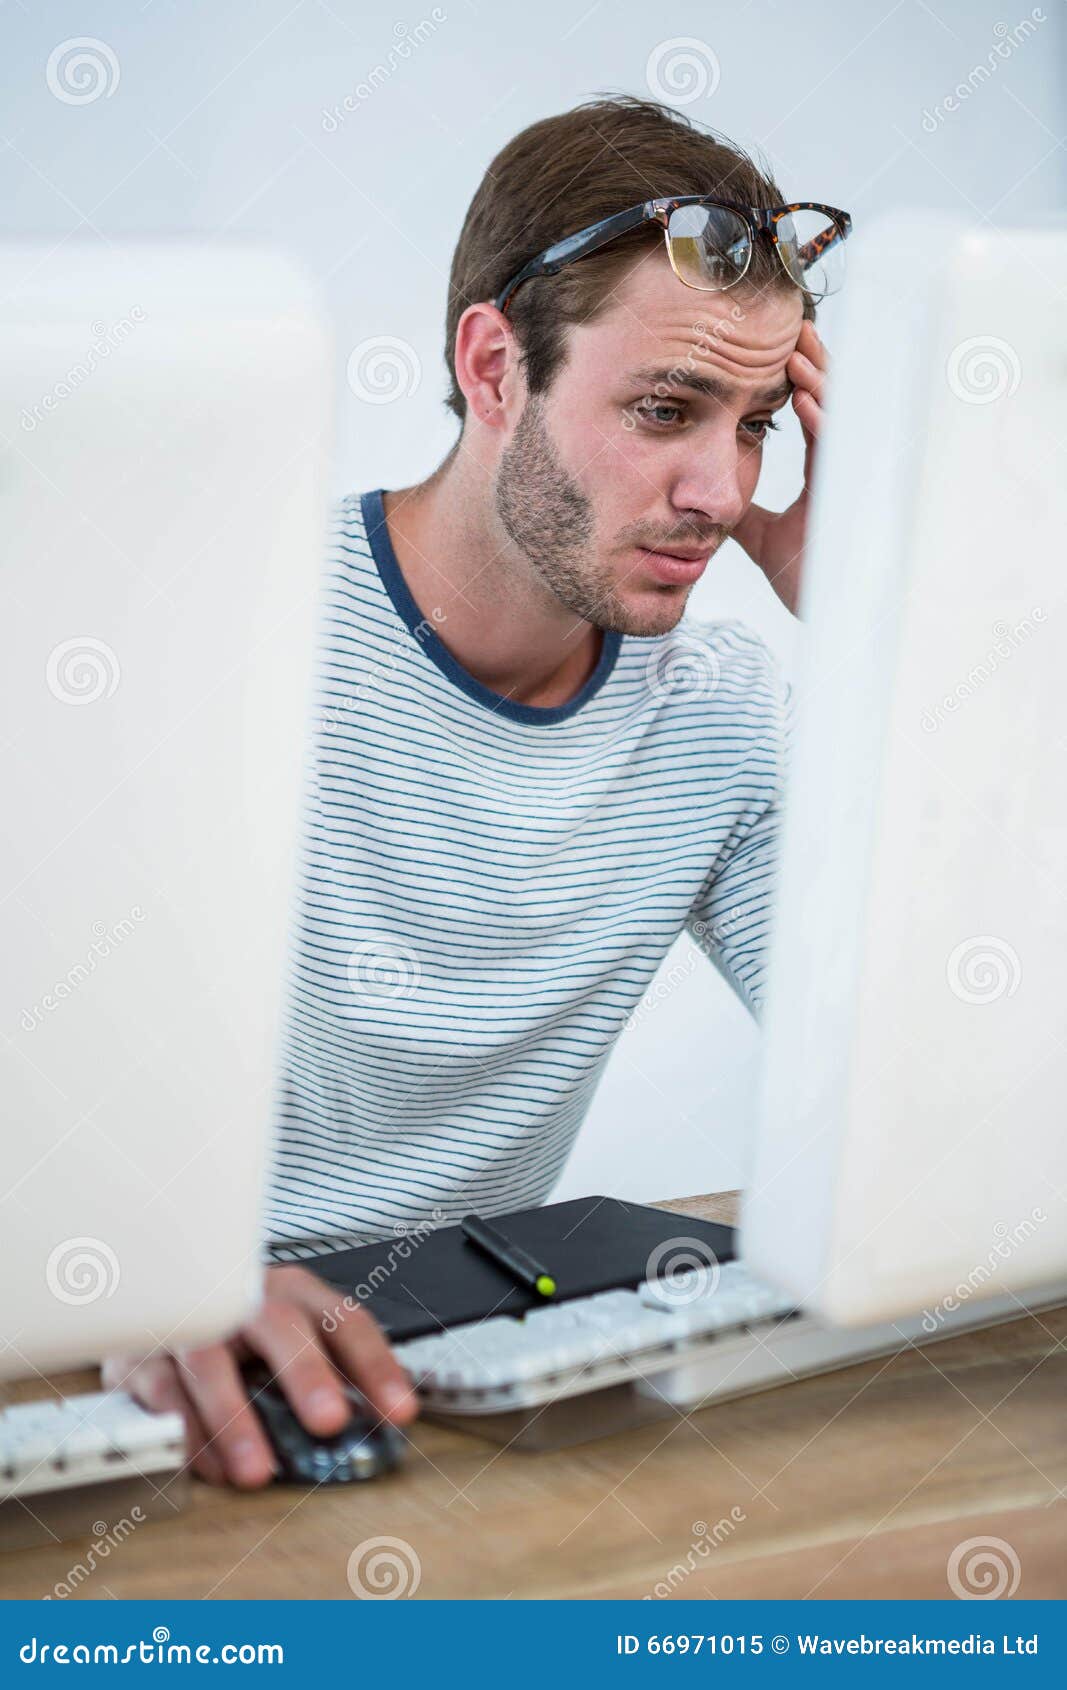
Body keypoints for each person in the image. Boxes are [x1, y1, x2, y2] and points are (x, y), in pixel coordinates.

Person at [105, 94, 842, 1486]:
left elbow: (954, 1067)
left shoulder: (723, 714)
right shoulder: (203, 633)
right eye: (668, 409)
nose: (721, 491)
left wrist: (880, 628)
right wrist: (129, 1288)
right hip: (151, 1405)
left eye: (754, 426)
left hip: (453, 1401)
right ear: (494, 367)